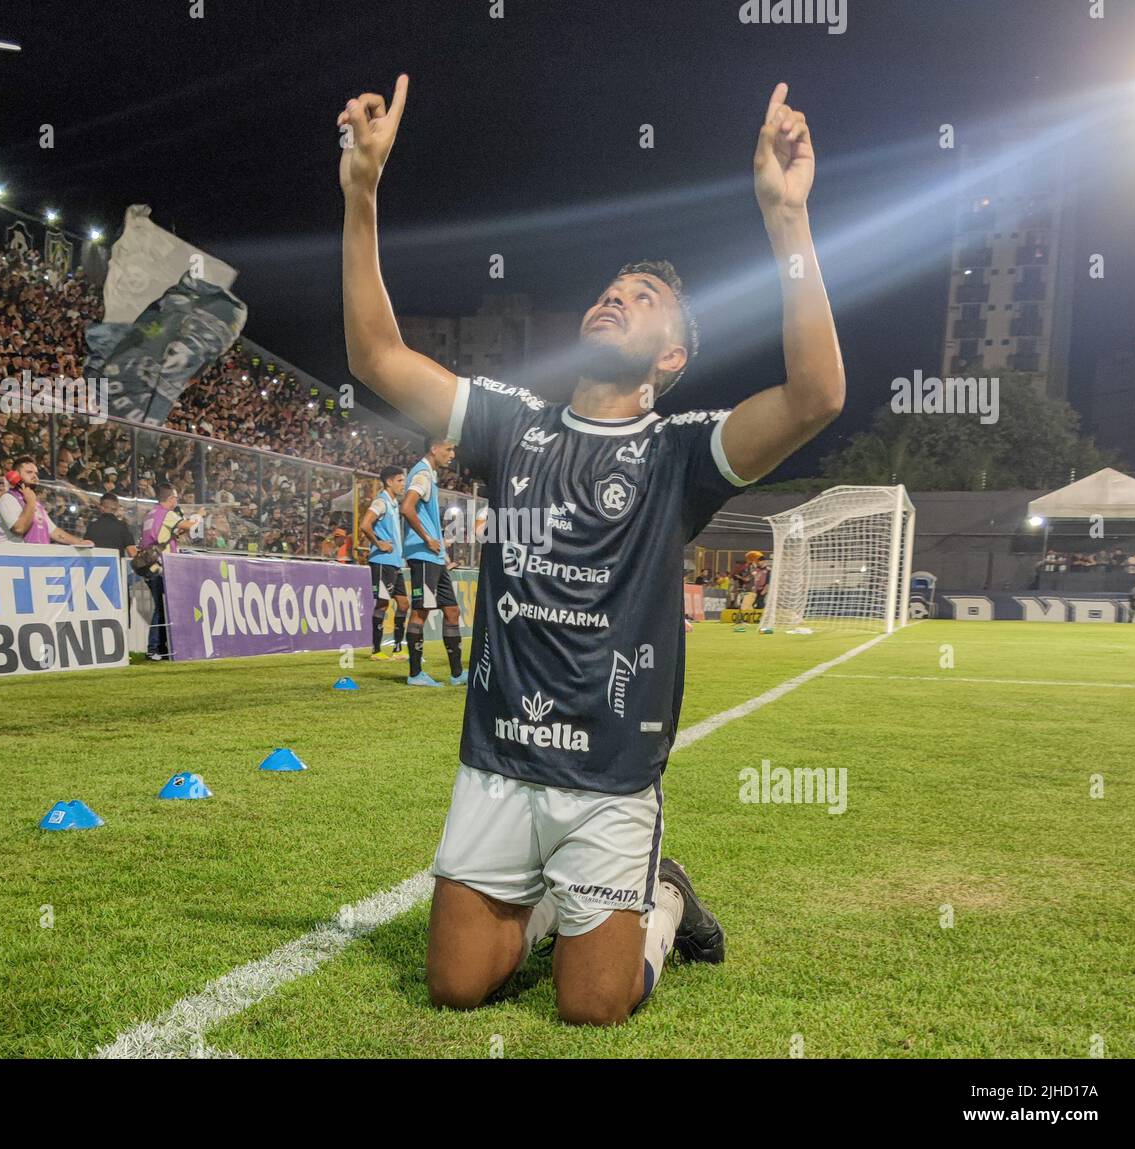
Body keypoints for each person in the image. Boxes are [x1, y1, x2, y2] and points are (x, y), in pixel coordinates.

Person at [340, 77, 843, 1024]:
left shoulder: (679, 453)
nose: (617, 297)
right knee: (453, 986)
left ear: (671, 358)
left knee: (594, 1008)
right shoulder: (507, 425)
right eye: (612, 289)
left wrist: (786, 220)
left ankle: (666, 897)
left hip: (610, 778)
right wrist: (362, 193)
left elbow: (816, 394)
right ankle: (545, 912)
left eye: (643, 298)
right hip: (499, 762)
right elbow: (376, 358)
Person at [400, 435, 466, 687]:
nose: (452, 455)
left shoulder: (430, 475)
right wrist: (427, 538)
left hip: (435, 558)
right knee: (421, 611)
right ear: (434, 448)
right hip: (424, 556)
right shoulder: (422, 474)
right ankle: (416, 674)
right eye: (448, 449)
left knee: (452, 611)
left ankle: (457, 673)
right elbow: (406, 508)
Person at [139, 483, 196, 661]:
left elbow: (159, 536)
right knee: (161, 607)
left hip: (149, 563)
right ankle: (154, 648)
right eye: (176, 498)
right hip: (162, 565)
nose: (176, 501)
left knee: (162, 606)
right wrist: (199, 517)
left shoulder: (151, 514)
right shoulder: (167, 514)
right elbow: (189, 525)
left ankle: (162, 647)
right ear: (170, 498)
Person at [360, 465, 410, 660]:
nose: (403, 484)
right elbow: (365, 524)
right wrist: (378, 543)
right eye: (399, 480)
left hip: (394, 562)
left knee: (404, 604)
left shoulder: (394, 503)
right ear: (389, 482)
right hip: (382, 561)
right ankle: (376, 650)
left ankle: (398, 648)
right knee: (382, 603)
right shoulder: (381, 501)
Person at [0, 457, 93, 546]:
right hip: (12, 561)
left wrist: (78, 542)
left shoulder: (35, 502)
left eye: (36, 473)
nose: (35, 476)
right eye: (29, 472)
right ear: (15, 475)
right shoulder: (8, 499)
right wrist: (30, 503)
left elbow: (53, 531)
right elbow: (19, 529)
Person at [85, 492, 138, 558]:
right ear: (117, 507)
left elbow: (85, 548)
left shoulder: (91, 526)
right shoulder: (122, 526)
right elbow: (132, 552)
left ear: (101, 508)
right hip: (116, 567)